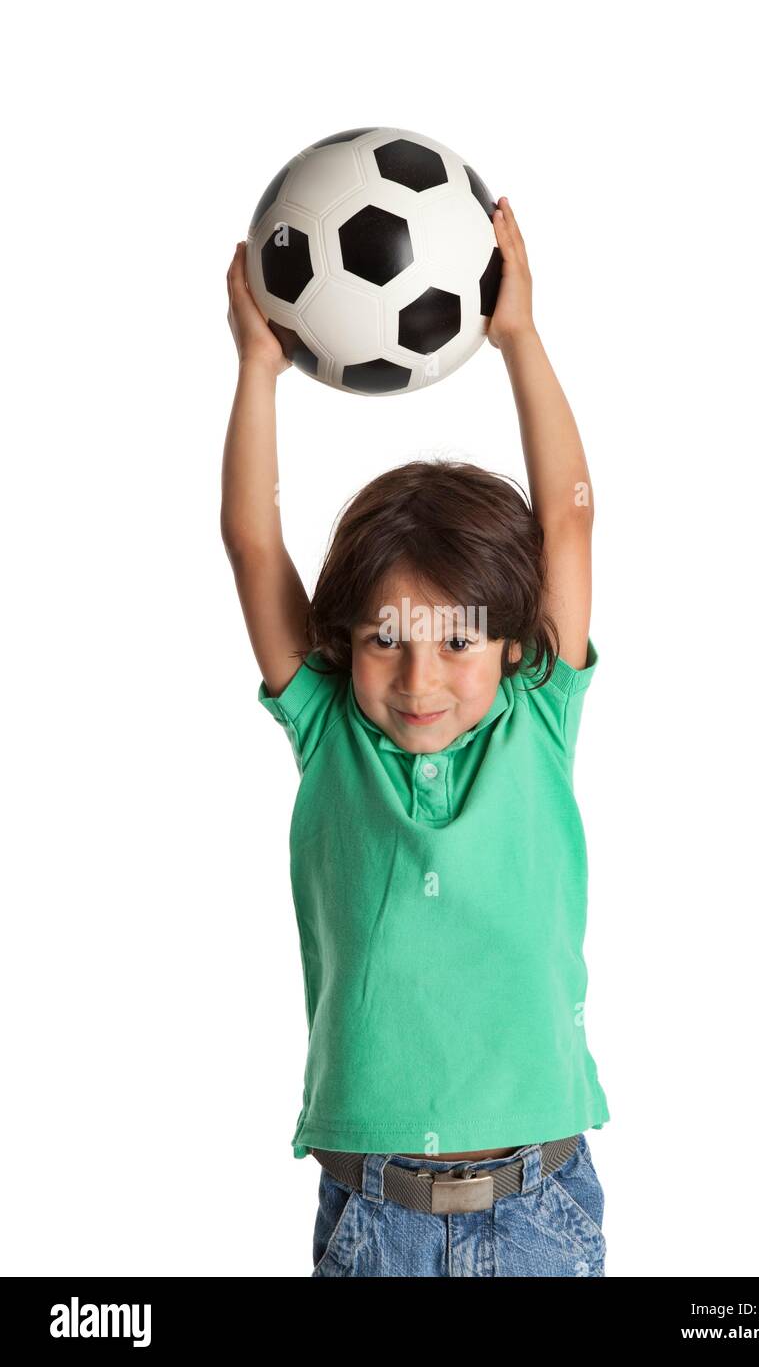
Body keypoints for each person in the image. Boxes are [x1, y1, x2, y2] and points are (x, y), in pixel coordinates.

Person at [222, 197, 610, 1276]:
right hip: (371, 1220)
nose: (421, 676)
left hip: (538, 1210)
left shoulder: (536, 718)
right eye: (388, 641)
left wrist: (518, 339)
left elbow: (568, 514)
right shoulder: (330, 732)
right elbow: (255, 544)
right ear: (343, 641)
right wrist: (257, 371)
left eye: (455, 641)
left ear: (510, 643)